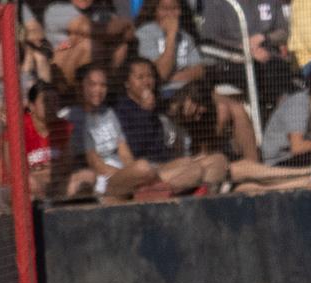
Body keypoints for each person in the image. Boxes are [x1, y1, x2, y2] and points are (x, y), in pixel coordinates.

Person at [115, 58, 232, 192]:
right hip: (145, 172)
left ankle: (202, 200)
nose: (147, 82)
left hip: (167, 165)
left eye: (150, 76)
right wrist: (145, 113)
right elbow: (136, 149)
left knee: (218, 160)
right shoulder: (121, 110)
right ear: (127, 83)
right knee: (192, 168)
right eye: (140, 77)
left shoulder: (157, 103)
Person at [67, 63, 164, 200]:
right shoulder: (75, 116)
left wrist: (132, 172)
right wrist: (133, 175)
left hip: (127, 174)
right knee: (144, 167)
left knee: (190, 165)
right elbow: (96, 164)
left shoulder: (108, 112)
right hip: (105, 180)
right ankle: (148, 187)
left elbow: (124, 152)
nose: (99, 90)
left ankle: (147, 187)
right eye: (92, 85)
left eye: (103, 85)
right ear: (80, 87)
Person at [43, 0, 136, 86]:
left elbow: (128, 34)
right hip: (62, 72)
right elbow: (93, 29)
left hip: (98, 61)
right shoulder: (57, 9)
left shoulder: (100, 12)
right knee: (89, 46)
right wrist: (124, 24)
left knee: (121, 45)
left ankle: (107, 86)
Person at [136, 0, 209, 97]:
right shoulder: (145, 33)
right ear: (155, 10)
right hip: (162, 94)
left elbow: (199, 71)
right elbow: (161, 73)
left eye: (175, 9)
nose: (170, 14)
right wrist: (171, 35)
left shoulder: (186, 36)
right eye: (165, 9)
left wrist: (172, 79)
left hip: (190, 90)